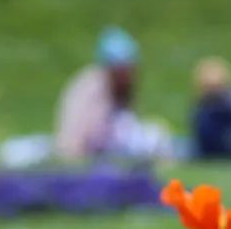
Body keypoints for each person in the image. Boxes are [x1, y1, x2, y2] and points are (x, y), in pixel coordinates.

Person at [54, 27, 170, 160]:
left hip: (114, 147)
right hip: (95, 146)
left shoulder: (123, 88)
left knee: (157, 132)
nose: (129, 76)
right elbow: (75, 133)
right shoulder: (91, 86)